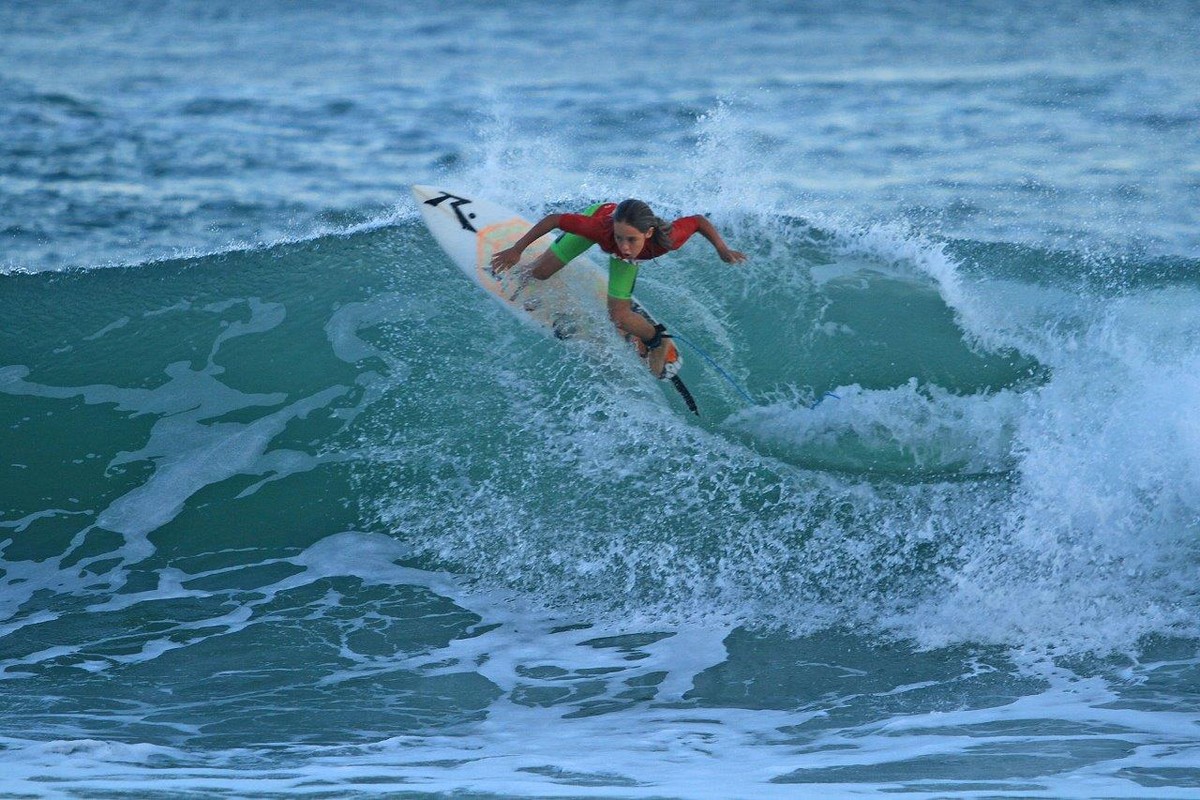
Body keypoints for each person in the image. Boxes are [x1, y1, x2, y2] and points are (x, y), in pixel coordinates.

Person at [489, 198, 746, 376]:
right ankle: (525, 270)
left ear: (648, 233)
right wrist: (517, 249)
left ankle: (658, 342)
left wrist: (722, 249)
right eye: (619, 237)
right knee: (539, 273)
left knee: (619, 317)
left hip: (628, 258)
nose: (624, 245)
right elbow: (555, 220)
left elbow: (699, 221)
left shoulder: (668, 240)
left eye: (631, 240)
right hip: (596, 222)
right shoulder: (601, 229)